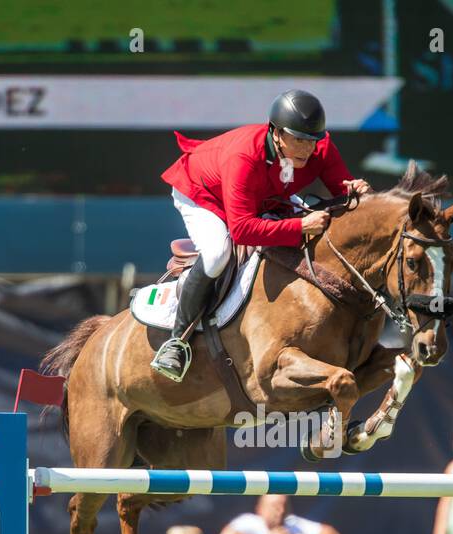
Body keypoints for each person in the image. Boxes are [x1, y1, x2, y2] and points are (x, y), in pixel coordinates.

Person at [151, 89, 372, 382]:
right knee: (218, 254)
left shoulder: (320, 147)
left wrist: (356, 193)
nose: (307, 149)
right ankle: (176, 341)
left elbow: (341, 193)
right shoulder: (244, 157)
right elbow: (242, 229)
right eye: (299, 140)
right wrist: (299, 227)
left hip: (264, 197)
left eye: (312, 140)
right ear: (277, 133)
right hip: (202, 193)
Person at [217, 494, 341, 534]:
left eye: (284, 506)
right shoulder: (250, 522)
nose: (280, 511)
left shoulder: (293, 525)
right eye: (275, 506)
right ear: (260, 508)